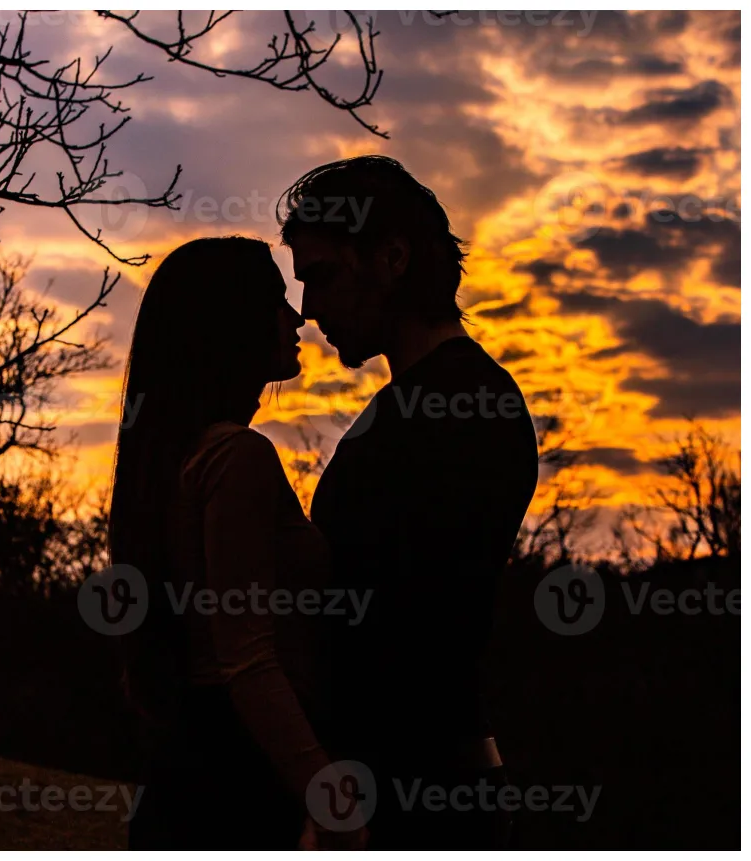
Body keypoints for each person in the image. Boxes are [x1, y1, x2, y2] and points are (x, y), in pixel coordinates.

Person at [278, 155, 540, 849]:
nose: (309, 309)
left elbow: (409, 634)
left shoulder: (462, 407)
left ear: (391, 257)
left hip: (416, 798)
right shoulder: (424, 404)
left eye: (325, 276)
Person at [109, 236, 364, 850]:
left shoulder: (171, 461)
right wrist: (329, 794)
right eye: (277, 299)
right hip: (236, 782)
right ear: (233, 321)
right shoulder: (237, 457)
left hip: (190, 771)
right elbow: (247, 658)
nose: (297, 315)